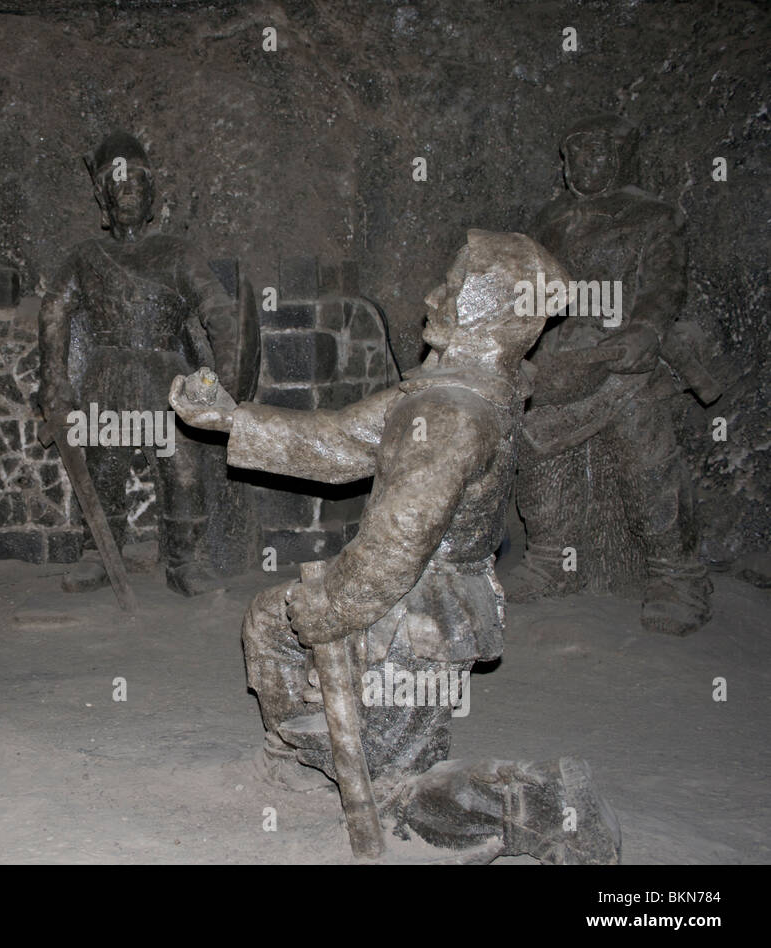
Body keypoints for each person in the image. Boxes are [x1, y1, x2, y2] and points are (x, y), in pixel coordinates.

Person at [171, 230, 620, 863]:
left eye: (456, 288)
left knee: (397, 796)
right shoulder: (455, 394)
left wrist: (336, 606)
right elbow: (335, 442)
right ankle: (303, 757)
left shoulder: (449, 417)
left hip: (412, 619)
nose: (434, 295)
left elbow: (395, 547)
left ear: (492, 313)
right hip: (414, 603)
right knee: (271, 620)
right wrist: (230, 420)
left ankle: (545, 802)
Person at [510, 114, 715, 635]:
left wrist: (645, 329)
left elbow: (664, 283)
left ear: (620, 156)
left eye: (598, 152)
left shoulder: (651, 215)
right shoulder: (549, 218)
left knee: (648, 459)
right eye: (576, 153)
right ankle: (552, 562)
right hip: (561, 358)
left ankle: (678, 575)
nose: (586, 163)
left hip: (622, 355)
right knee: (537, 452)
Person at [37, 132, 248, 596]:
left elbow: (219, 310)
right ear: (103, 197)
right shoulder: (85, 258)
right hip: (106, 374)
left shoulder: (176, 253)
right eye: (118, 182)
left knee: (183, 468)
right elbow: (54, 312)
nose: (127, 189)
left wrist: (227, 381)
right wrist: (54, 380)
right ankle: (100, 553)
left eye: (137, 181)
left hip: (166, 376)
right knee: (102, 469)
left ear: (152, 194)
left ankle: (184, 561)